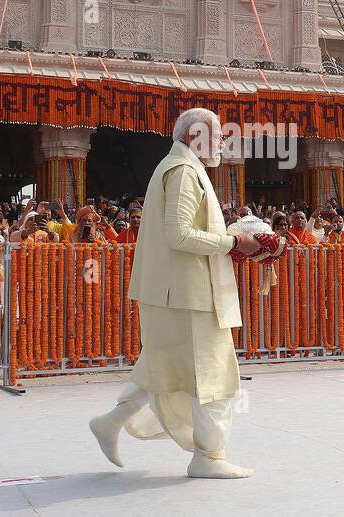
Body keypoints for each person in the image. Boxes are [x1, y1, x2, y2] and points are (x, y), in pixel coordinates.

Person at [90, 108, 259, 480]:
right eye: (216, 135)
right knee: (212, 375)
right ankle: (209, 456)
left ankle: (109, 422)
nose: (222, 142)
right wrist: (234, 242)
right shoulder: (182, 171)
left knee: (163, 366)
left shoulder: (179, 167)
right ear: (194, 136)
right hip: (187, 294)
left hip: (175, 292)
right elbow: (179, 235)